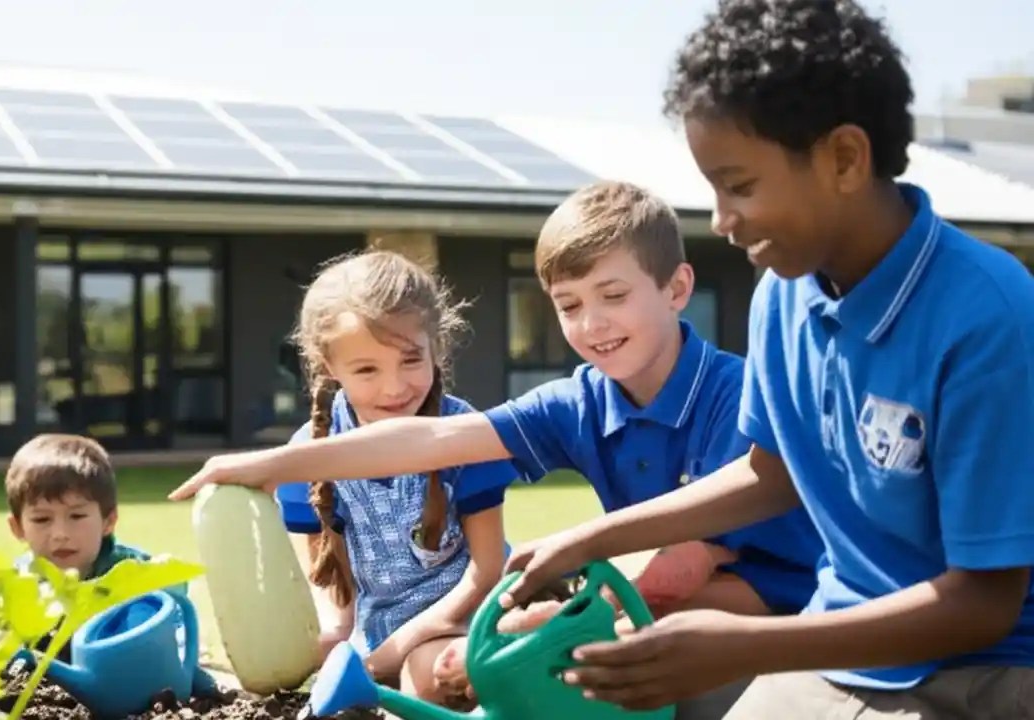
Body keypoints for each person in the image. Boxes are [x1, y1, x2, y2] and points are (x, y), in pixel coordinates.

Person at [490, 1, 1034, 717]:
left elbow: (985, 604)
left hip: (986, 668)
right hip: (842, 645)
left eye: (739, 186)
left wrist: (747, 646)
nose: (720, 220)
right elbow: (766, 473)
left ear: (844, 158)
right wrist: (587, 538)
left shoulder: (988, 315)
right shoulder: (782, 294)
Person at [169, 182, 824, 715]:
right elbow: (436, 438)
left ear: (677, 289)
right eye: (568, 305)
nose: (591, 325)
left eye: (613, 296)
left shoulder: (731, 392)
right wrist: (271, 464)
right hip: (670, 589)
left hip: (782, 601)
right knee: (550, 658)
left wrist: (534, 629)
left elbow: (679, 570)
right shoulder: (582, 401)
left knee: (577, 660)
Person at [216, 250, 518, 706]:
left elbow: (487, 573)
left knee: (427, 675)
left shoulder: (466, 437)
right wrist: (315, 652)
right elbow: (333, 601)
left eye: (411, 361)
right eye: (367, 370)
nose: (394, 388)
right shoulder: (307, 457)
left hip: (470, 617)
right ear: (329, 367)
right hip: (377, 635)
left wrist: (388, 656)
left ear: (436, 346)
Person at [6, 433, 194, 660]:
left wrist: (163, 583)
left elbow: (175, 592)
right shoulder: (16, 584)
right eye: (42, 520)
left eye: (76, 516)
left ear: (109, 521)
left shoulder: (130, 569)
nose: (60, 535)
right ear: (17, 528)